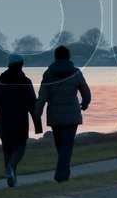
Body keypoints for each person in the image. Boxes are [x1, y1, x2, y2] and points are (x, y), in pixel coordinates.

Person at [0, 53, 41, 187]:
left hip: (4, 121)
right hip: (20, 122)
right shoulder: (25, 81)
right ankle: (11, 168)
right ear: (21, 65)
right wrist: (38, 125)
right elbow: (32, 104)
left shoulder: (0, 81)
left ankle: (11, 180)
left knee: (7, 150)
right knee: (20, 148)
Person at [36, 44, 92, 182]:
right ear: (68, 57)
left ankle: (62, 174)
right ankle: (63, 173)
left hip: (55, 115)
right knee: (66, 146)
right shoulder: (76, 73)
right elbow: (86, 91)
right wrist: (85, 103)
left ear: (55, 57)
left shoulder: (48, 74)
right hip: (72, 114)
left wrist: (37, 112)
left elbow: (42, 96)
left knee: (60, 145)